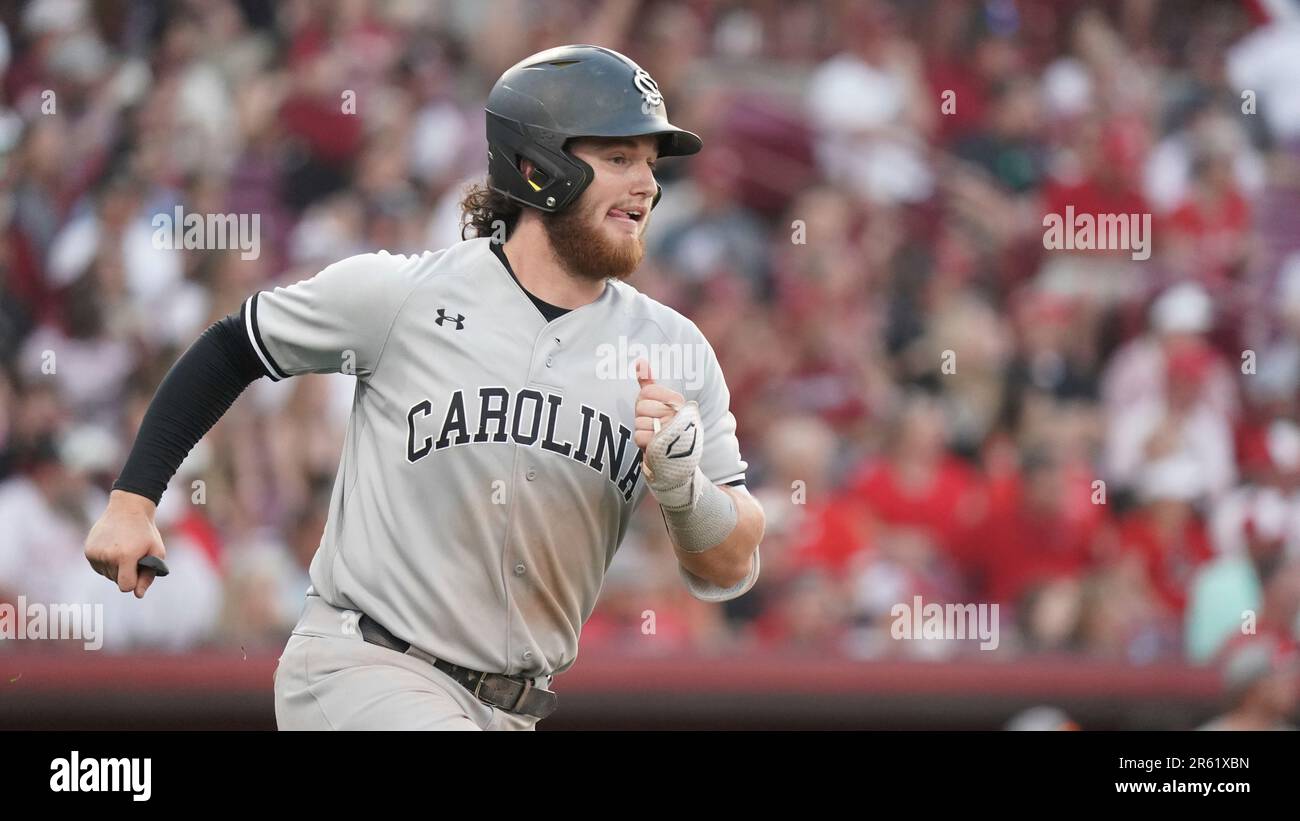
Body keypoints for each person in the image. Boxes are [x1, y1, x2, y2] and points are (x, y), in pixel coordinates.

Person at [82, 44, 765, 730]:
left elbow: (727, 566)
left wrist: (684, 490)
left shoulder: (672, 351)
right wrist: (133, 500)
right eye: (620, 158)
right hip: (365, 667)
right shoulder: (404, 294)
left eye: (651, 161)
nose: (647, 183)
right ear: (537, 166)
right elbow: (237, 344)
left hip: (508, 709)